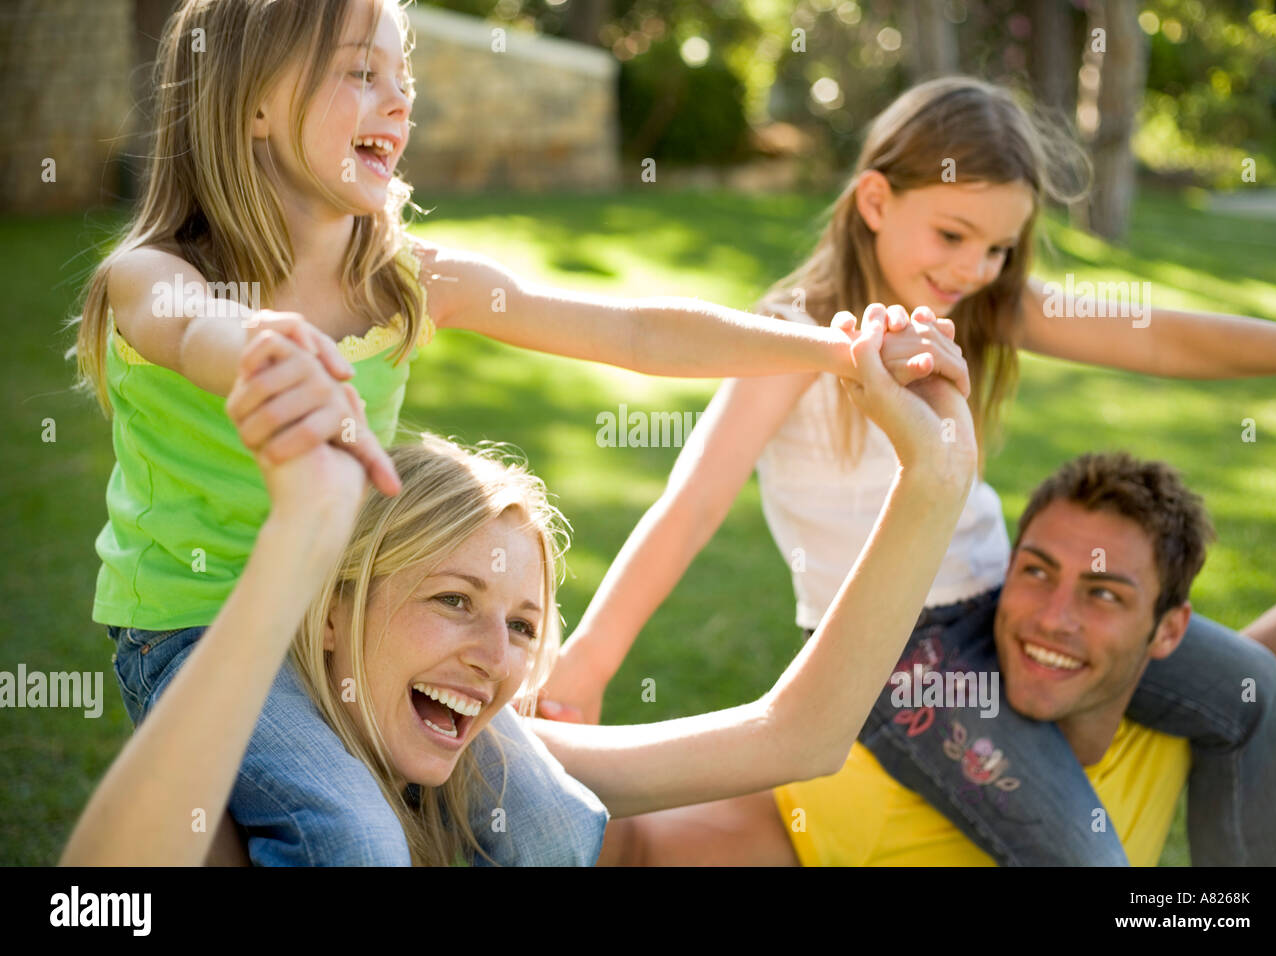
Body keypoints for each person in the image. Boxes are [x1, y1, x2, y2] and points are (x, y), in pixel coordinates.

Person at [70, 0, 964, 865]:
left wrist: (835, 350)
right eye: (361, 71)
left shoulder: (405, 281)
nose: (401, 98)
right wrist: (256, 349)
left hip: (352, 630)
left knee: (553, 822)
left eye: (404, 74)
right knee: (354, 840)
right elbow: (186, 325)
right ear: (253, 100)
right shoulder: (152, 273)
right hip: (193, 635)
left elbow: (634, 332)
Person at [542, 75, 1276, 865]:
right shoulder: (799, 333)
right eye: (953, 235)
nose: (976, 266)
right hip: (895, 657)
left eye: (1000, 247)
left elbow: (1160, 337)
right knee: (1089, 857)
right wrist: (588, 663)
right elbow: (692, 502)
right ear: (875, 201)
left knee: (1247, 688)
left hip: (1002, 602)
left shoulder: (978, 305)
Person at [62, 309, 978, 866]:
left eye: (525, 624)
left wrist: (937, 475)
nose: (496, 660)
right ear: (333, 615)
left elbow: (799, 737)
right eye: (452, 601)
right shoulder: (218, 814)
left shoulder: (484, 766)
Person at [596, 452, 1276, 866]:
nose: (1053, 619)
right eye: (1035, 572)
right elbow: (632, 846)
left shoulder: (1181, 719)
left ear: (1167, 633)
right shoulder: (883, 768)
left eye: (1103, 595)